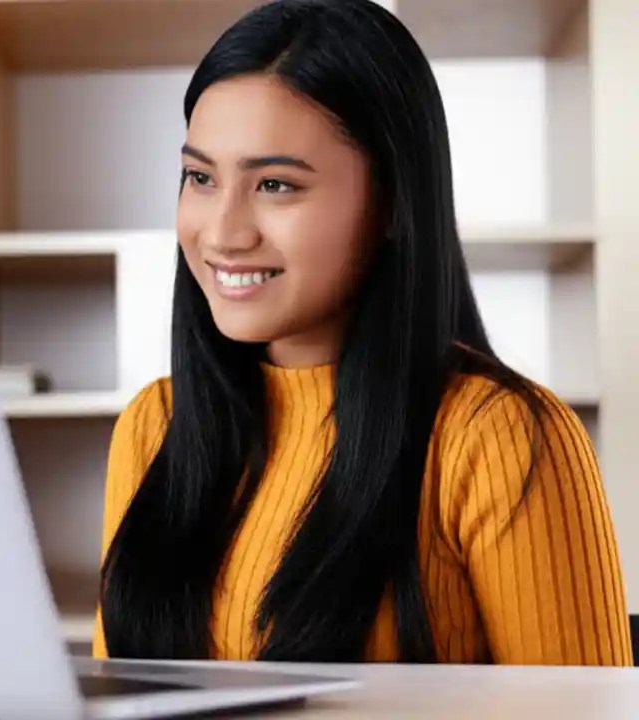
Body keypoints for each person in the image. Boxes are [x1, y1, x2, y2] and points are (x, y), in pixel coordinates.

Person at [93, 0, 632, 666]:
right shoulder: (154, 425)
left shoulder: (501, 438)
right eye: (200, 177)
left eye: (275, 185)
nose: (223, 232)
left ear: (391, 203)